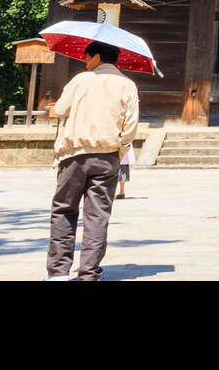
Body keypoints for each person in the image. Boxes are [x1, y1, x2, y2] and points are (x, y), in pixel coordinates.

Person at [45, 40, 140, 281]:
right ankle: (89, 272)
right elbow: (130, 128)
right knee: (97, 215)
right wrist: (120, 150)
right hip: (107, 156)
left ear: (96, 57)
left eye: (87, 58)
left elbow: (62, 109)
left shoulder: (80, 80)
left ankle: (58, 272)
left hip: (74, 155)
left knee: (64, 210)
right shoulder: (128, 85)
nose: (85, 63)